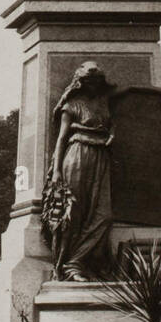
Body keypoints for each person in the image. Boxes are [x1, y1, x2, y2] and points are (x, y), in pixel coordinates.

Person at [41, 62, 114, 280]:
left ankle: (77, 260)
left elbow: (128, 93)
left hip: (101, 157)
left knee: (104, 215)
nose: (92, 85)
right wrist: (56, 171)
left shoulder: (103, 102)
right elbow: (62, 139)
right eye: (88, 81)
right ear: (79, 82)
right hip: (77, 157)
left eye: (96, 81)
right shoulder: (71, 105)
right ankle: (68, 265)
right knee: (73, 214)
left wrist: (160, 94)